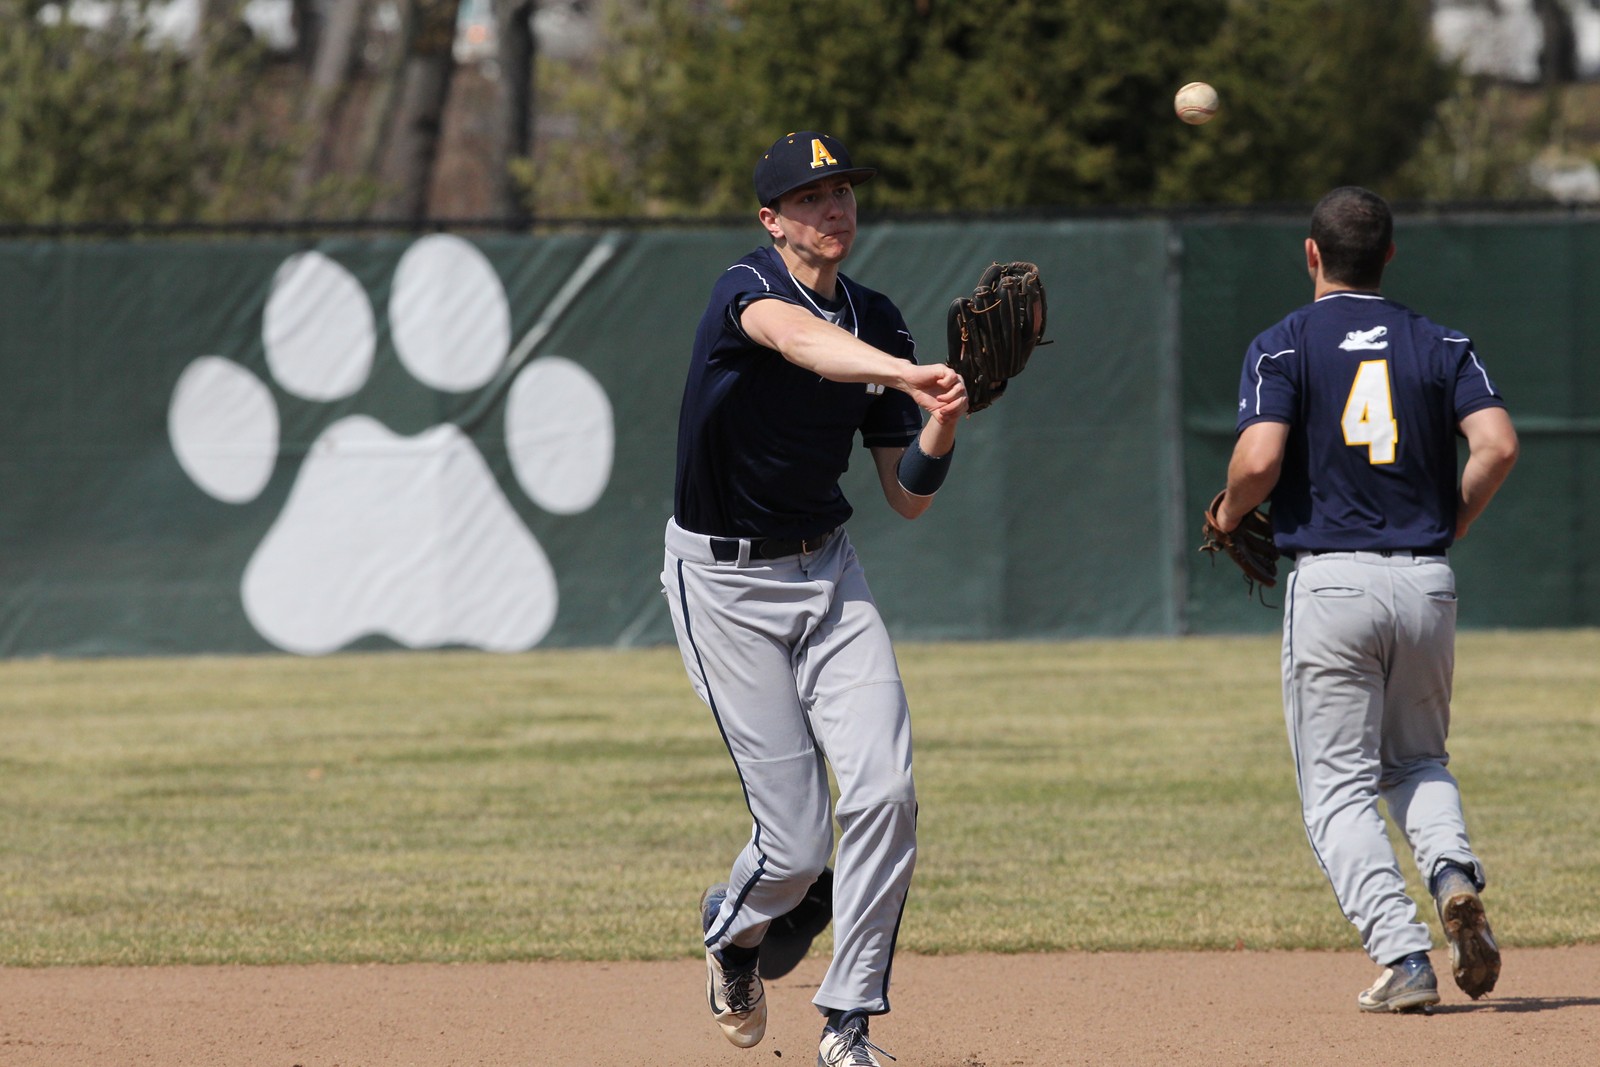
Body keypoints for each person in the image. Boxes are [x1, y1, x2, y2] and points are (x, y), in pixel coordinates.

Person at [661, 130, 967, 1067]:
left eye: (842, 192)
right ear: (771, 219)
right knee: (793, 847)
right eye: (811, 196)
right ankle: (735, 932)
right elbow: (801, 343)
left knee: (886, 790)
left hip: (827, 572)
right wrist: (902, 372)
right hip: (722, 581)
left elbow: (905, 495)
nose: (835, 209)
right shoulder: (744, 289)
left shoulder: (880, 317)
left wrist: (942, 422)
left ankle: (847, 1022)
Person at [1209, 186, 1518, 1013]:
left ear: (1312, 255)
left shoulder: (1282, 346)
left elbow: (1260, 459)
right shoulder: (1441, 342)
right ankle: (1452, 874)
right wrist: (1450, 516)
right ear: (1388, 256)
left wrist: (1229, 510)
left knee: (1339, 789)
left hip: (1335, 582)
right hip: (1424, 577)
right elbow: (1497, 445)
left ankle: (1404, 957)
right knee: (1419, 760)